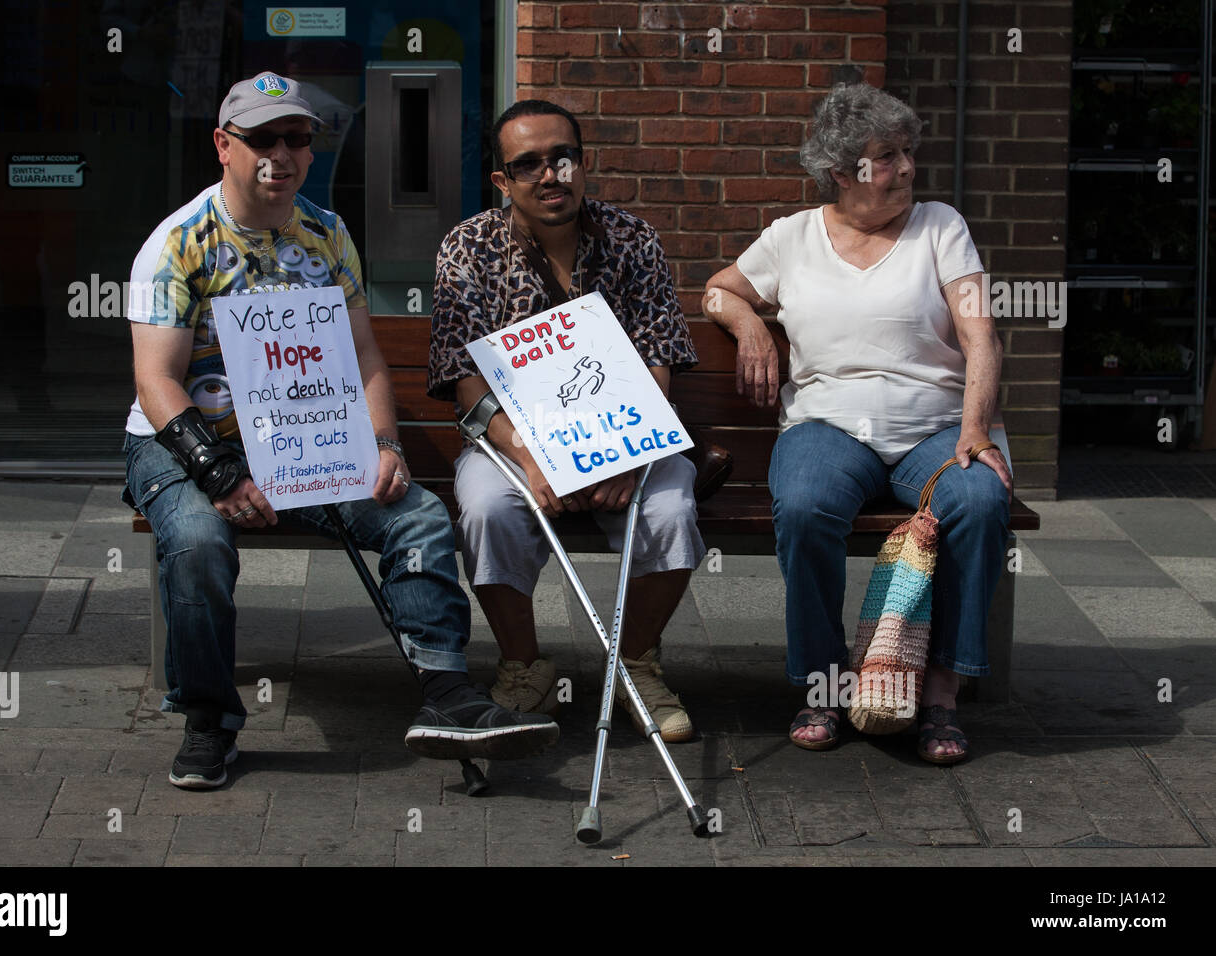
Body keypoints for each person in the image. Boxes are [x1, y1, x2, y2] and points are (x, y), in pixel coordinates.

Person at [121, 72, 557, 789]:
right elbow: (157, 381)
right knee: (197, 543)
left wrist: (385, 444)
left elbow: (363, 360)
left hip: (302, 436)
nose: (283, 153)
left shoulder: (327, 236)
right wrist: (218, 472)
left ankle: (448, 692)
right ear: (223, 146)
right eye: (263, 138)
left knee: (415, 516)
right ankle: (207, 717)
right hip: (187, 443)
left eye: (298, 138)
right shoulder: (176, 244)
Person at [703, 83, 1011, 765]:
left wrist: (975, 429)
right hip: (828, 428)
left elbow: (981, 334)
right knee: (808, 506)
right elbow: (719, 288)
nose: (905, 168)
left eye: (907, 153)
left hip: (936, 426)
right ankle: (825, 681)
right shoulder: (792, 238)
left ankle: (939, 691)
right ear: (841, 174)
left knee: (982, 500)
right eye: (886, 158)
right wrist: (750, 322)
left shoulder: (941, 226)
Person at [428, 100, 706, 742]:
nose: (549, 175)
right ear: (503, 180)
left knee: (671, 509)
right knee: (488, 509)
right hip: (513, 440)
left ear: (582, 163)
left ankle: (635, 663)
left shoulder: (633, 239)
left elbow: (660, 355)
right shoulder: (467, 249)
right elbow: (464, 377)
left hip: (627, 434)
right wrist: (531, 458)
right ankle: (523, 666)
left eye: (563, 158)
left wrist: (631, 454)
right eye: (527, 165)